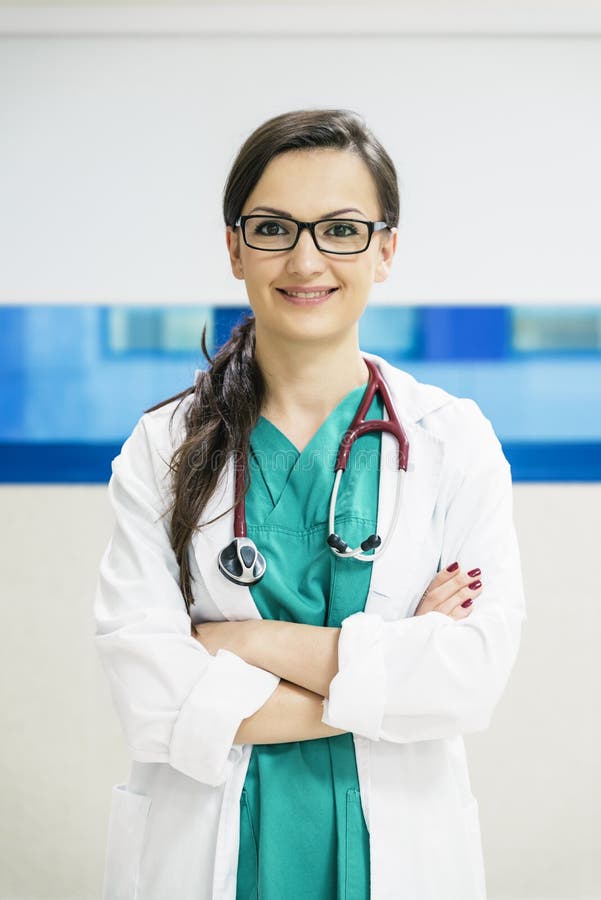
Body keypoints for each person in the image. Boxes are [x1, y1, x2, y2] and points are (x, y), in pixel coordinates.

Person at [94, 108, 526, 900]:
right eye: (271, 227)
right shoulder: (161, 448)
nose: (305, 258)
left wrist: (243, 640)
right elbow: (152, 698)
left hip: (396, 856)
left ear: (385, 248)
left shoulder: (451, 440)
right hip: (208, 853)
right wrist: (391, 668)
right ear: (233, 247)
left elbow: (468, 678)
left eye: (341, 229)